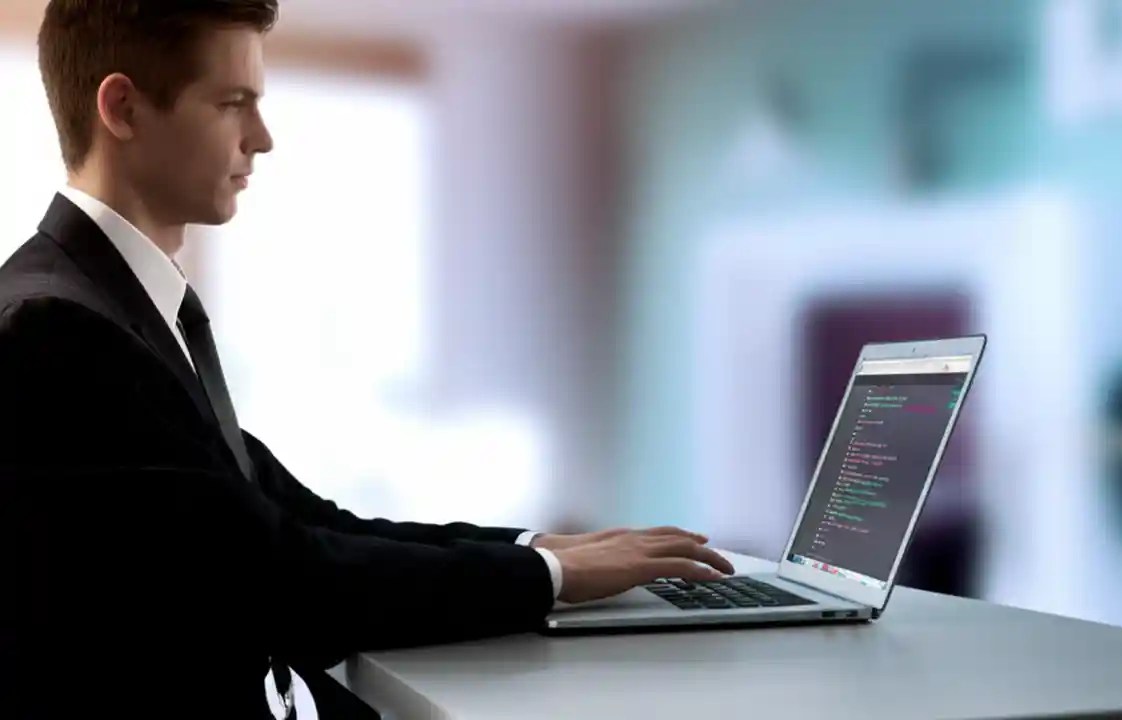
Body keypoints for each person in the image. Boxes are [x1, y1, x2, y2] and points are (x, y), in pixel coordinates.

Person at [0, 2, 734, 718]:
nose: (262, 137)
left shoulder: (117, 306)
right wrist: (551, 576)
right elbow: (286, 582)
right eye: (233, 103)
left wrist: (540, 547)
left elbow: (301, 520)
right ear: (123, 108)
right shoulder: (58, 329)